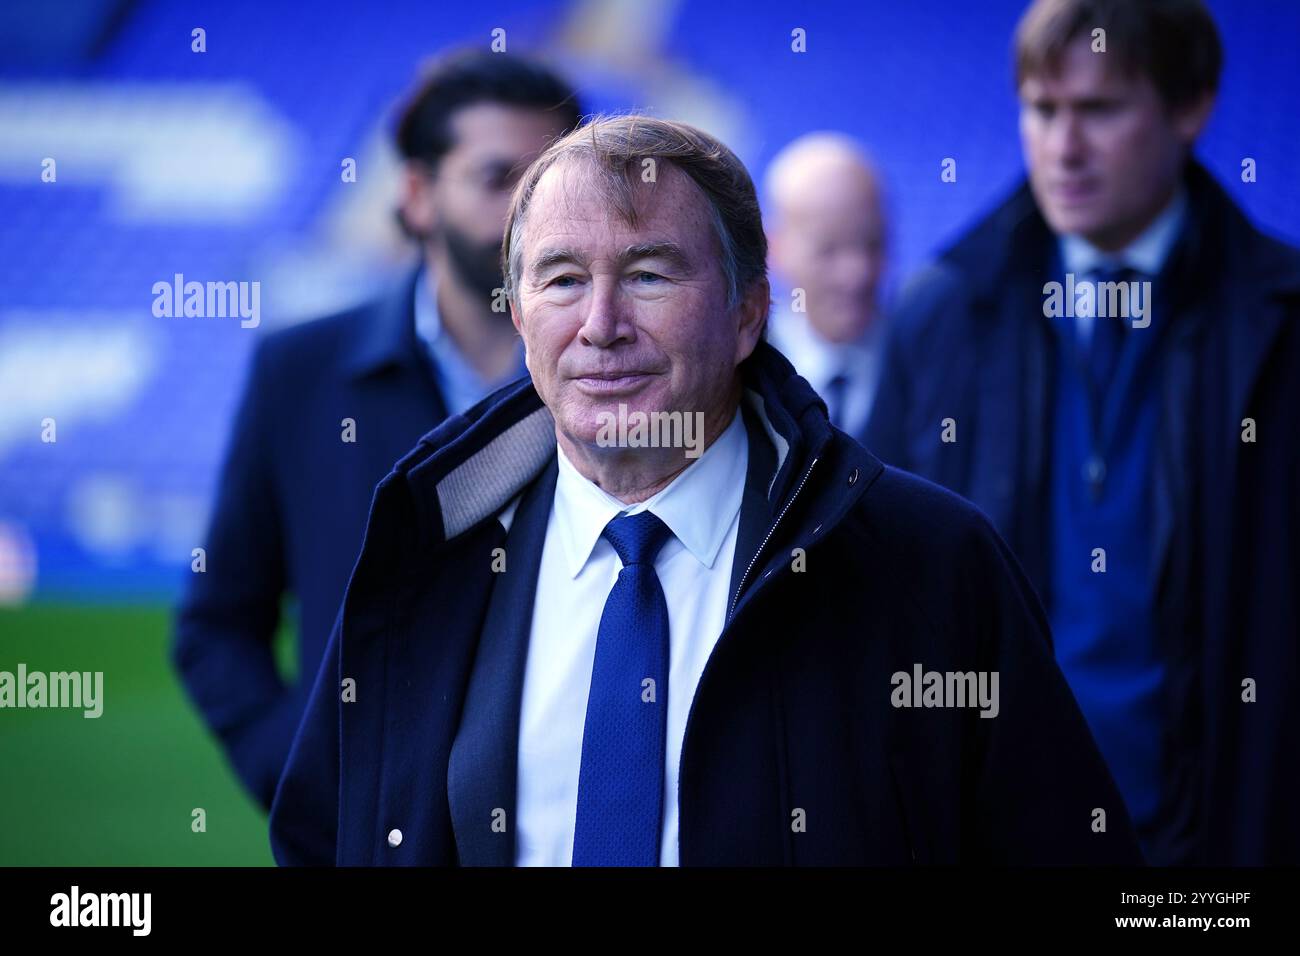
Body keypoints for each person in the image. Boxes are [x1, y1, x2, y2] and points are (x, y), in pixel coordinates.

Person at [269, 114, 1142, 866]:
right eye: (564, 279)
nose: (601, 326)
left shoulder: (930, 564)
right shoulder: (430, 553)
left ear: (747, 314)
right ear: (522, 315)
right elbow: (324, 834)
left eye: (649, 274)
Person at [867, 0, 1300, 864]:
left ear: (1193, 107)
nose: (1063, 149)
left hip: (1219, 851)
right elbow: (878, 606)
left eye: (1099, 110)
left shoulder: (1284, 325)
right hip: (1000, 838)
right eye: (1042, 109)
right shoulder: (942, 315)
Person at [171, 50, 582, 811]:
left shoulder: (626, 375)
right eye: (499, 179)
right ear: (418, 196)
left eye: (551, 182)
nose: (533, 214)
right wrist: (297, 775)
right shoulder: (300, 373)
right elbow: (218, 624)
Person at [764, 133, 889, 442]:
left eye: (872, 244)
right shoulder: (743, 375)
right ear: (776, 249)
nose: (857, 274)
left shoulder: (929, 363)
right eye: (828, 250)